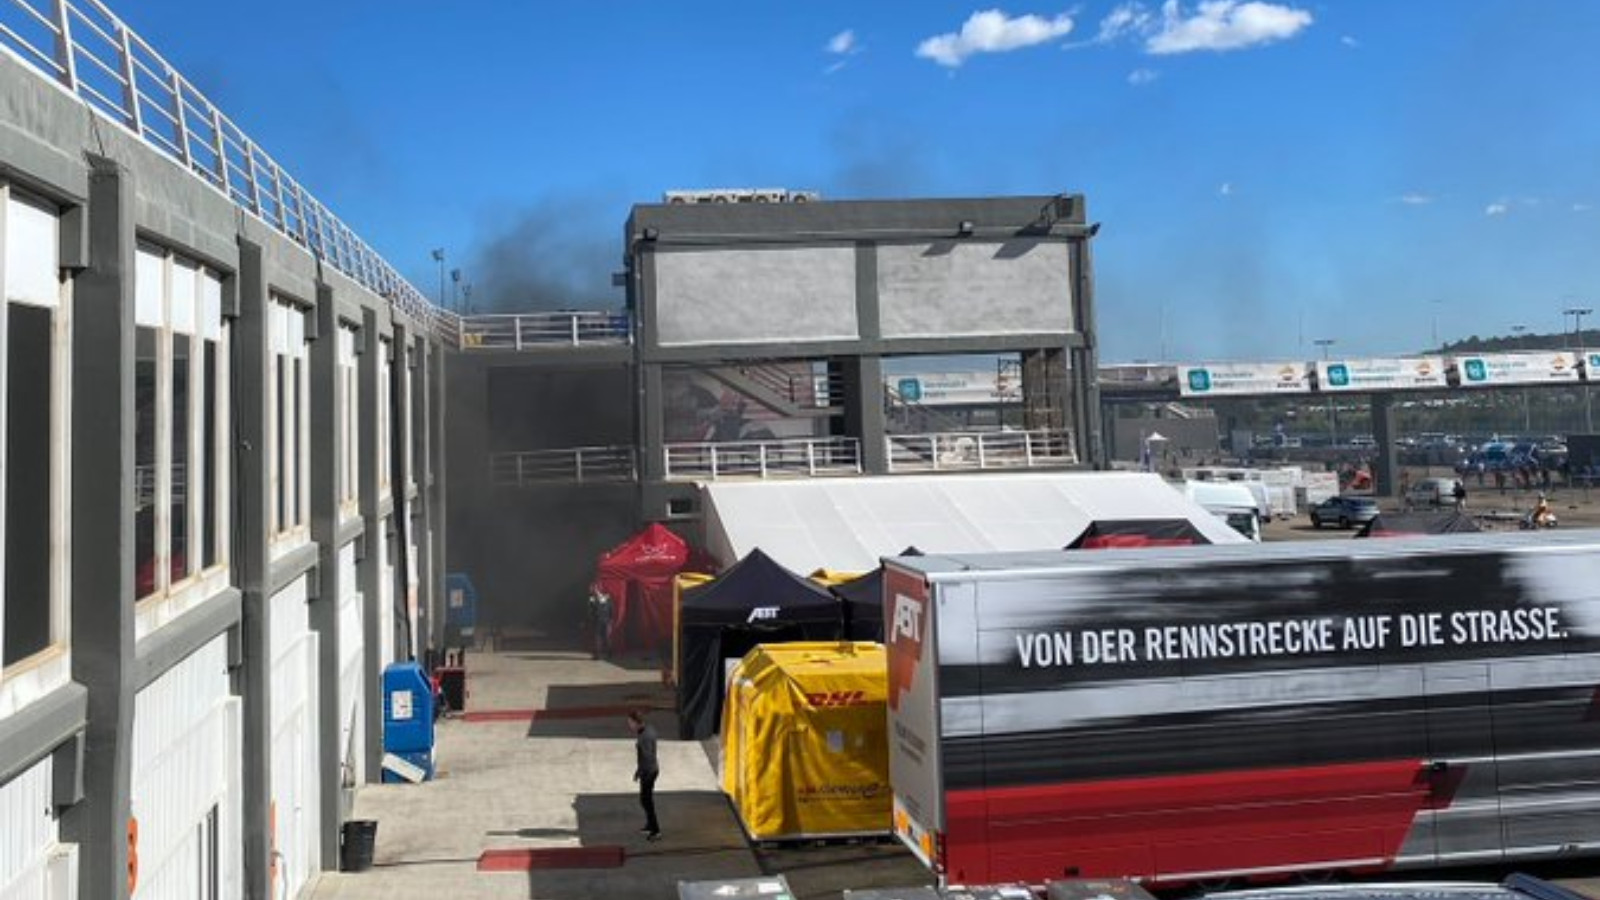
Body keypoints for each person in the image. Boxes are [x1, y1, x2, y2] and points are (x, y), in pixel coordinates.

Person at [628, 710, 661, 841]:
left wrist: (641, 772)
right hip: (648, 770)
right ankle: (649, 825)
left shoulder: (645, 737)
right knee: (644, 800)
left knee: (647, 801)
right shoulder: (647, 730)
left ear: (637, 722)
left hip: (649, 772)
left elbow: (647, 758)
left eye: (630, 723)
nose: (629, 725)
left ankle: (656, 830)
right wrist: (639, 771)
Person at [588, 588, 613, 660]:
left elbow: (591, 608)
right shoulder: (608, 600)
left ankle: (598, 655)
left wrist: (591, 598)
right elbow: (611, 611)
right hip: (605, 621)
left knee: (598, 638)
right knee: (605, 637)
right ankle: (608, 653)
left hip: (599, 621)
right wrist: (610, 620)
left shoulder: (595, 599)